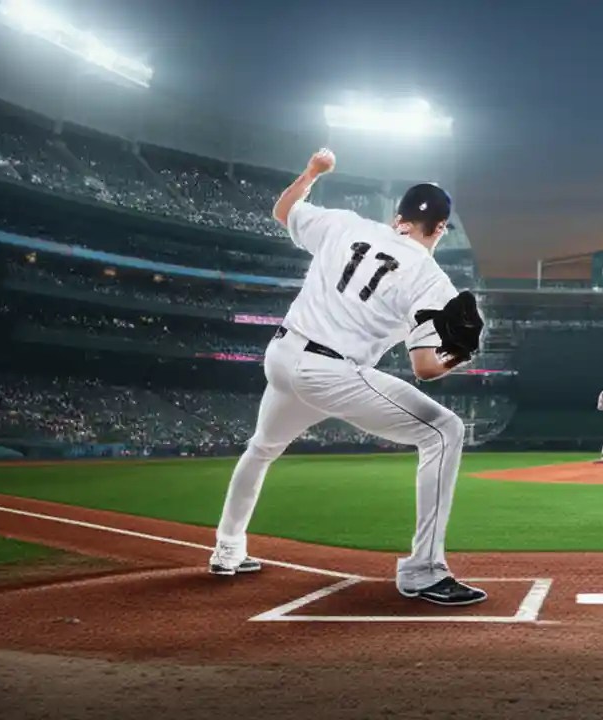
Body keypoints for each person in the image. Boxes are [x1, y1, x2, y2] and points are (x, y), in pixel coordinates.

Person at [208, 148, 487, 607]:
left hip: (281, 354)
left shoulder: (347, 224)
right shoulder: (430, 277)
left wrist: (313, 172)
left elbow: (283, 211)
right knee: (445, 430)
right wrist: (462, 350)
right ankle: (423, 572)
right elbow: (425, 368)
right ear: (440, 229)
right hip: (331, 372)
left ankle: (227, 550)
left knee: (260, 450)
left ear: (397, 215)